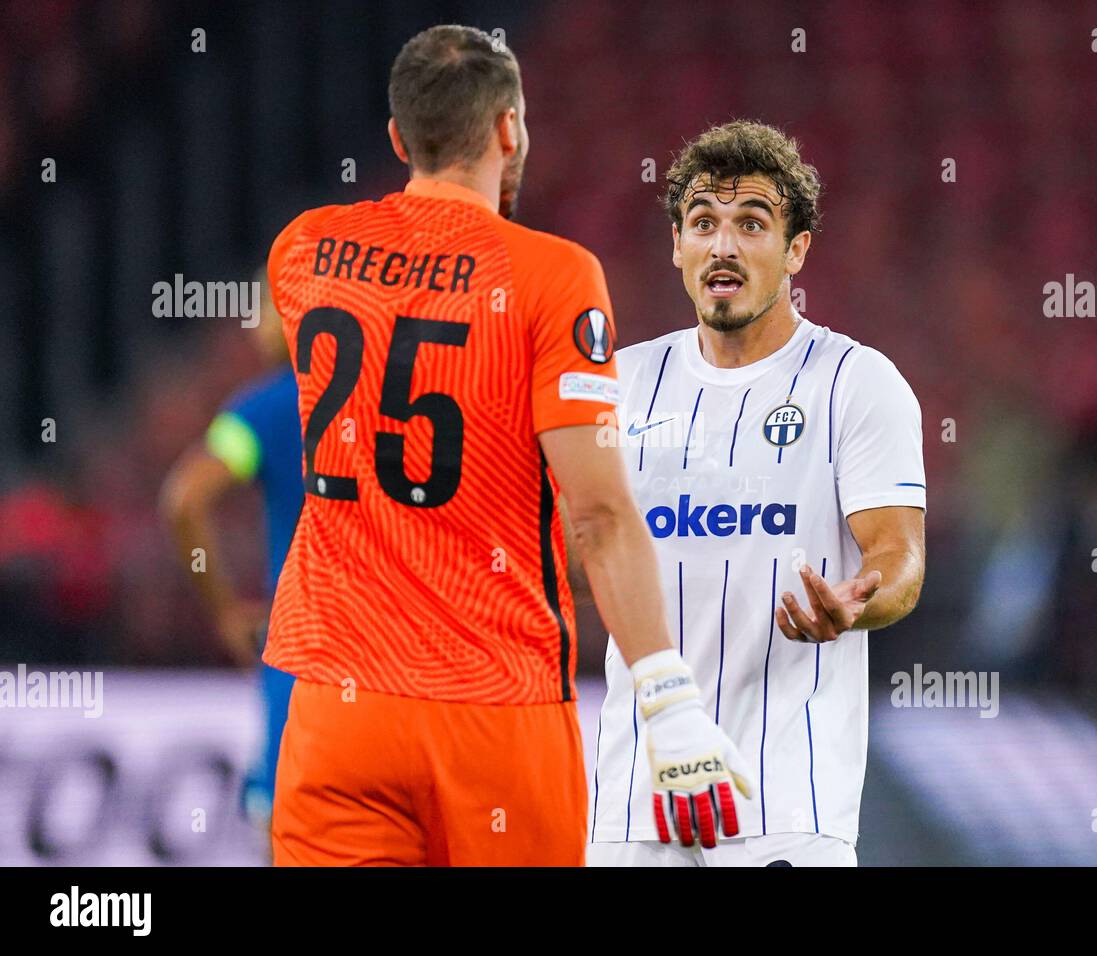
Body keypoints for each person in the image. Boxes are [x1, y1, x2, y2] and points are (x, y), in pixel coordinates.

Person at [262, 25, 749, 866]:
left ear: (397, 138)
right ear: (510, 130)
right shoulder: (554, 276)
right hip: (496, 702)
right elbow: (596, 515)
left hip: (335, 702)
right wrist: (669, 700)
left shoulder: (302, 252)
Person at [585, 121, 927, 866]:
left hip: (787, 799)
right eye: (703, 223)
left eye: (752, 224)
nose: (724, 246)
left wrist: (859, 599)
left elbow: (899, 554)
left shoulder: (856, 382)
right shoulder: (620, 383)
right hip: (634, 794)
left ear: (796, 249)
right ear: (677, 244)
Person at [159, 276, 302, 836]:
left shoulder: (264, 411)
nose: (259, 323)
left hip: (303, 658)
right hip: (406, 665)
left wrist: (224, 610)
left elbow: (182, 500)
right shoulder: (397, 395)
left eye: (271, 308)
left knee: (286, 830)